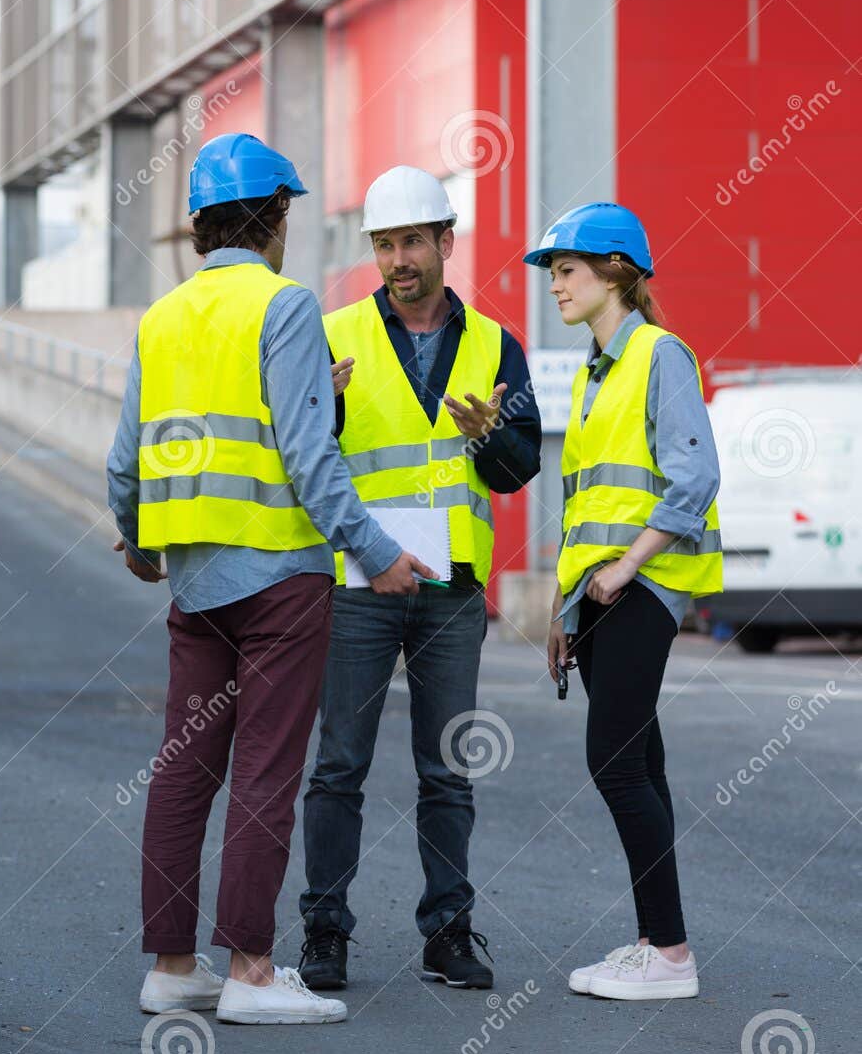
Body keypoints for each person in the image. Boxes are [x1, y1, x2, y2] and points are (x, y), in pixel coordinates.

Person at [107, 133, 435, 1027]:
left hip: (194, 584)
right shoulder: (284, 306)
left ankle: (175, 967)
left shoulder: (163, 316)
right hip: (282, 581)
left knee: (184, 771)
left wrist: (137, 539)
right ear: (277, 217)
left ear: (203, 226)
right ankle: (251, 972)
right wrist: (375, 551)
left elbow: (124, 458)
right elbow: (307, 457)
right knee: (265, 770)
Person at [299, 166, 541, 992]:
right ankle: (324, 932)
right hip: (362, 581)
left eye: (411, 242)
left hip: (450, 588)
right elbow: (304, 460)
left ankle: (448, 932)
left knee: (447, 768)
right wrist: (318, 412)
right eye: (383, 245)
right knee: (339, 765)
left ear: (446, 241)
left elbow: (516, 474)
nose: (397, 259)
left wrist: (491, 440)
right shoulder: (330, 338)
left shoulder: (495, 344)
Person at [524, 202, 722, 1001]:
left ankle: (670, 954)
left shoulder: (658, 354)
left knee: (613, 760)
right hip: (601, 592)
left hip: (643, 583)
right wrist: (564, 607)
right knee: (641, 762)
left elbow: (695, 476)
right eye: (552, 274)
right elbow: (582, 509)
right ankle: (657, 942)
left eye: (567, 270)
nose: (556, 286)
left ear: (615, 271)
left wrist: (626, 567)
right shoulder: (595, 371)